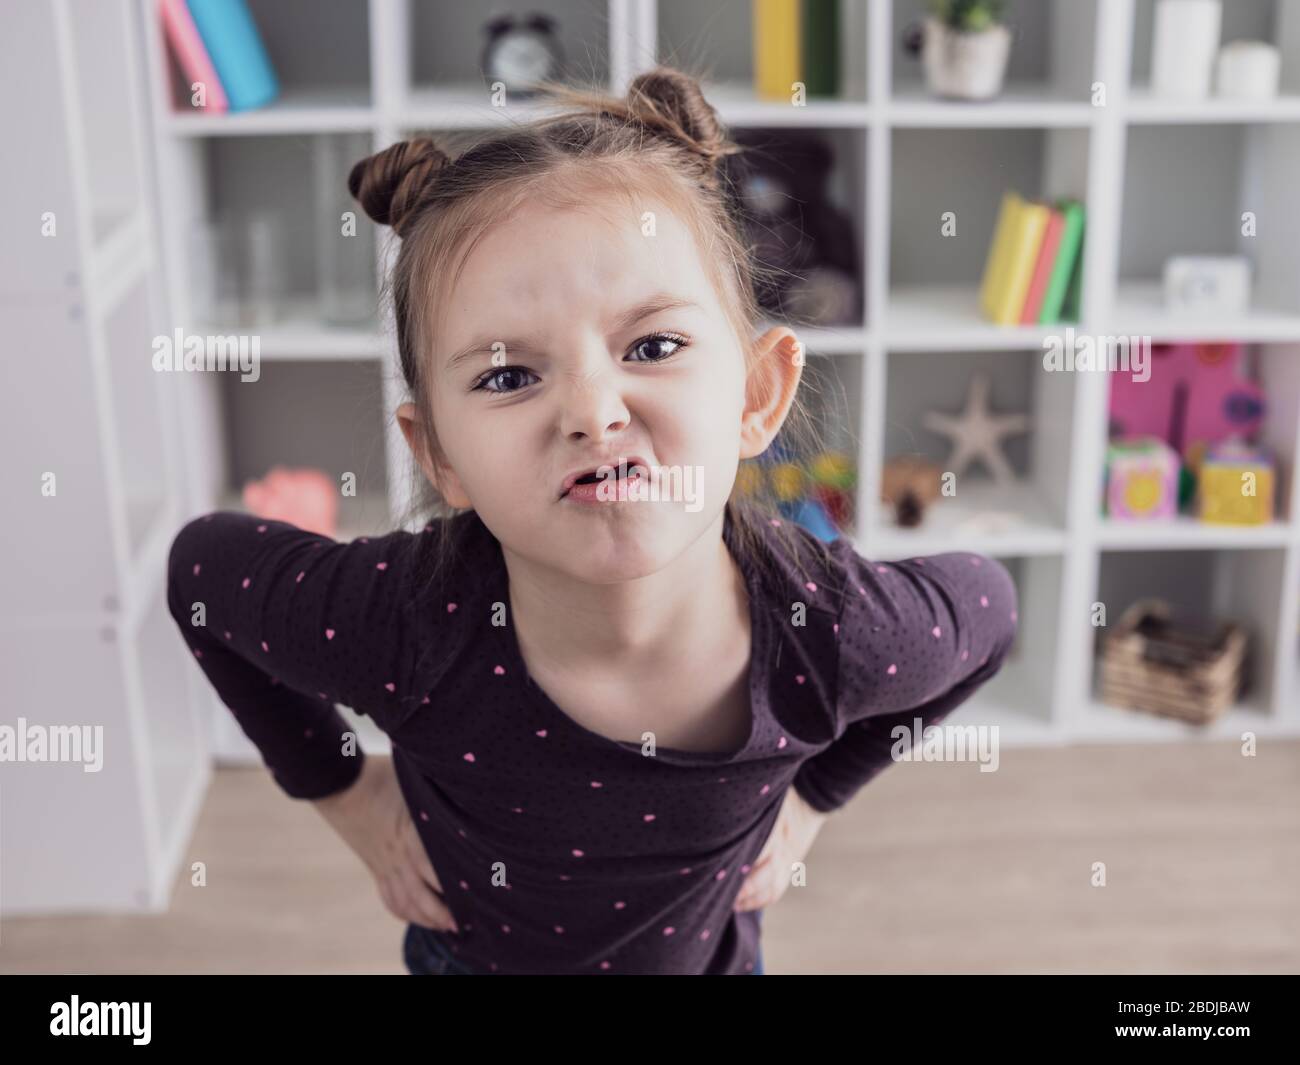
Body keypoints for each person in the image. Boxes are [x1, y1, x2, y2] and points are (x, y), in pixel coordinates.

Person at [166, 66, 1018, 975]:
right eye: (506, 375)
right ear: (439, 454)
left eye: (652, 346)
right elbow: (202, 574)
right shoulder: (400, 621)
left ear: (756, 393)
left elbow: (989, 613)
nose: (592, 411)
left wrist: (814, 796)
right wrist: (346, 794)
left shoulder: (833, 628)